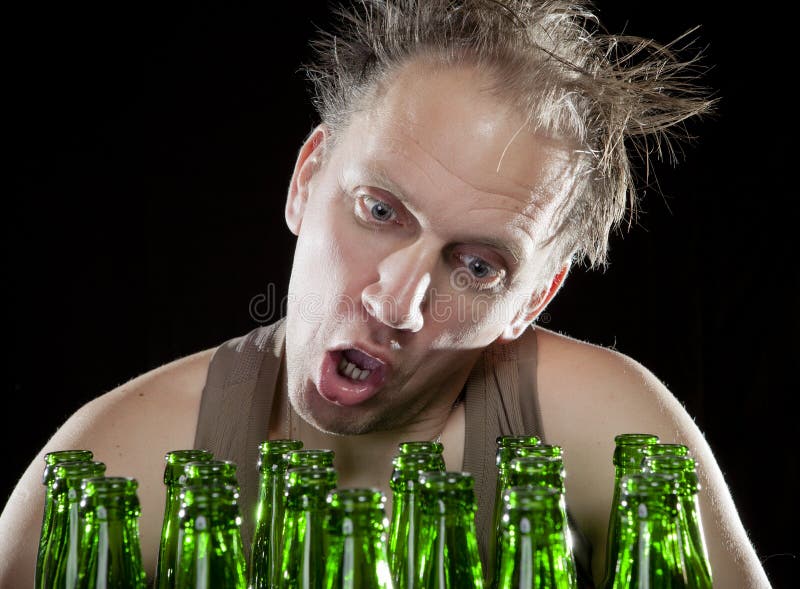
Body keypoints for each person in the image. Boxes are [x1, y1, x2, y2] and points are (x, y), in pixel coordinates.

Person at [0, 1, 773, 587]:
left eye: (476, 266)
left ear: (533, 300)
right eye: (379, 210)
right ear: (307, 179)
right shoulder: (113, 462)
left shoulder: (617, 438)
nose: (396, 304)